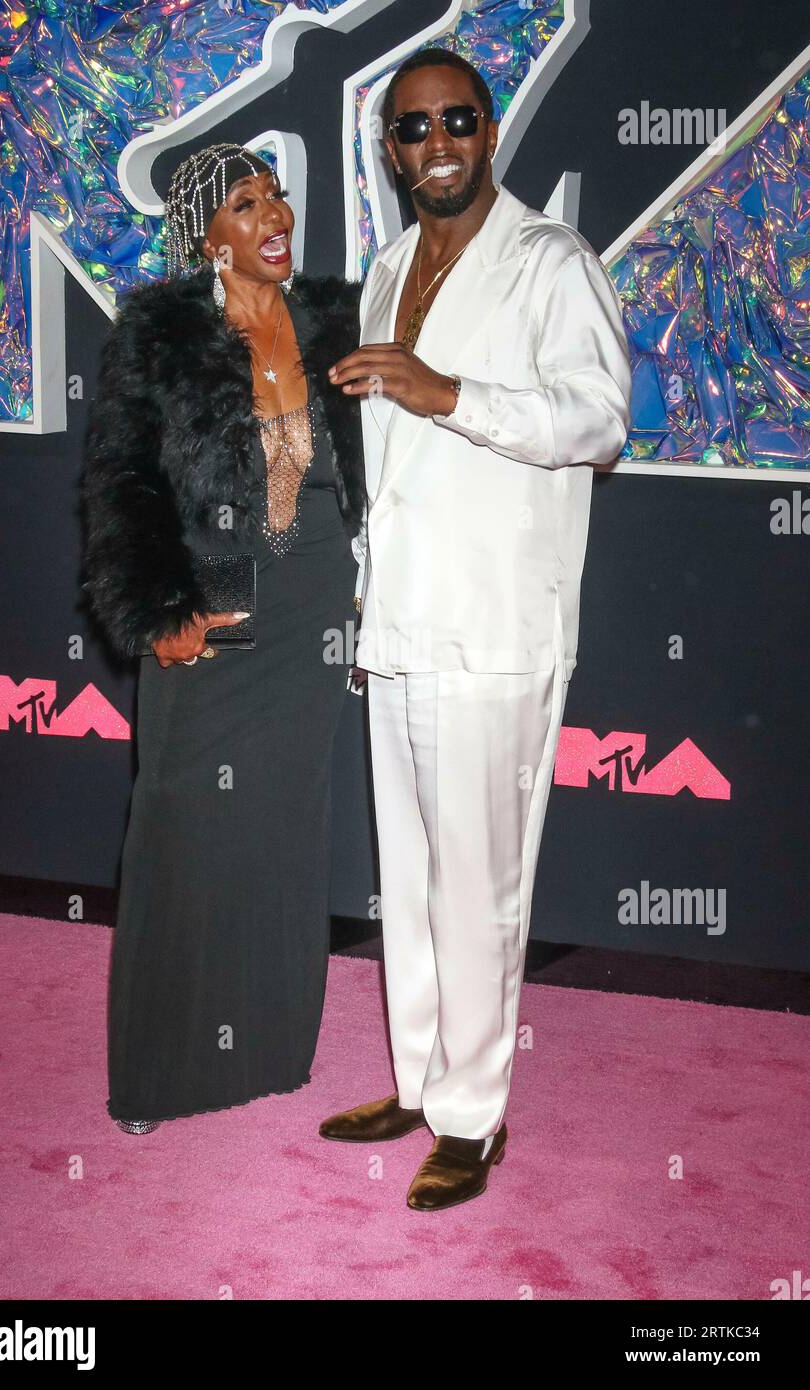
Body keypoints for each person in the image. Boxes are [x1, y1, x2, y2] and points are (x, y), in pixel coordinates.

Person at [320, 50, 633, 1210]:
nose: (435, 142)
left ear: (488, 129)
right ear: (389, 150)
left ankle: (472, 1113)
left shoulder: (551, 261)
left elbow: (599, 421)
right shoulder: (390, 265)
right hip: (398, 620)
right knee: (408, 874)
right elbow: (384, 461)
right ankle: (415, 1078)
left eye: (456, 119)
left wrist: (447, 390)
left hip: (495, 623)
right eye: (411, 128)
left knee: (479, 886)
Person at [80, 143, 365, 1131]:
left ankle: (270, 1053)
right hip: (215, 584)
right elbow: (121, 479)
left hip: (315, 589)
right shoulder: (160, 329)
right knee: (177, 819)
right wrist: (156, 608)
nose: (273, 215)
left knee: (285, 821)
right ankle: (156, 1076)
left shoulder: (334, 314)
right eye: (246, 204)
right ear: (205, 232)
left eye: (276, 196)